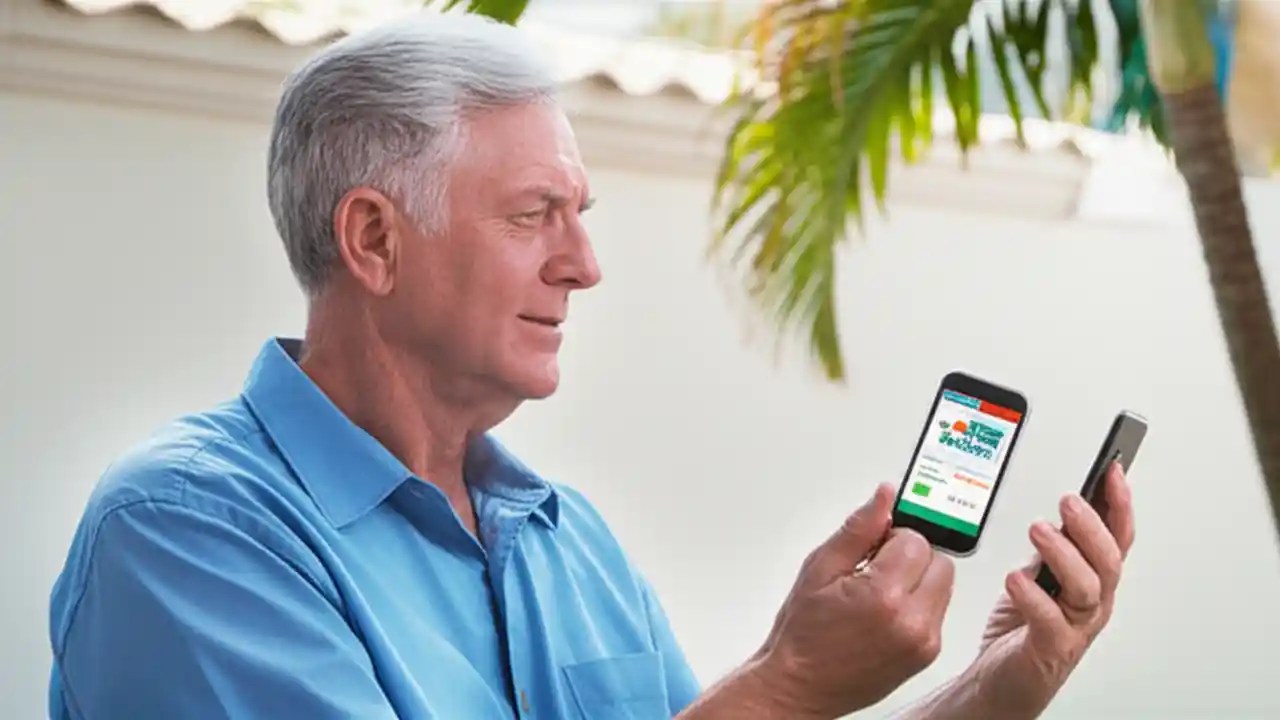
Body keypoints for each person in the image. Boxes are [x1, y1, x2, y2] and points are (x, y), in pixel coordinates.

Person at [46, 12, 1136, 720]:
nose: (584, 265)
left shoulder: (567, 542)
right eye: (534, 215)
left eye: (580, 214)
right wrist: (788, 683)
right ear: (374, 240)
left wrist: (996, 688)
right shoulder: (185, 531)